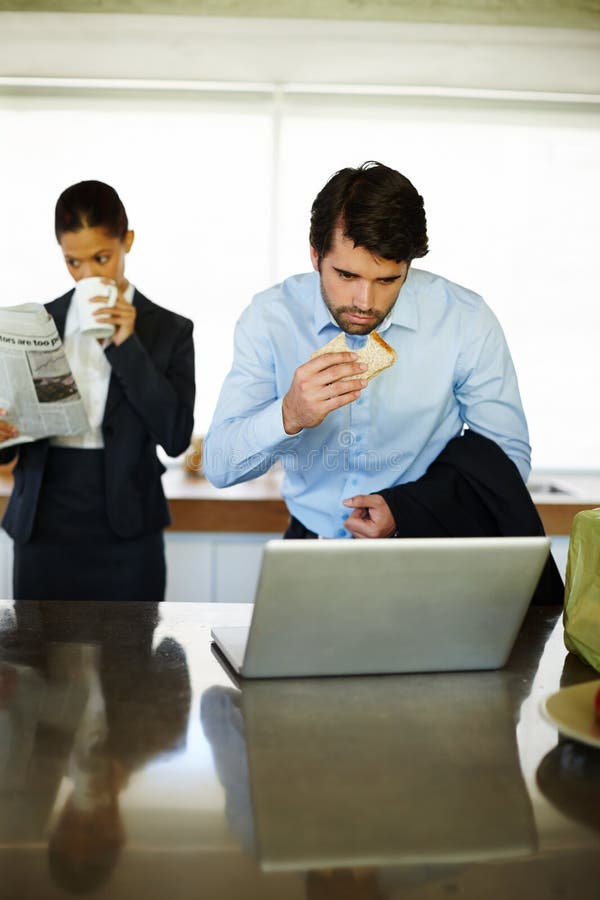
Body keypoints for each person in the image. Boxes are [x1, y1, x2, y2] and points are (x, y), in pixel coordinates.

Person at [0, 180, 195, 601]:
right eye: (73, 262)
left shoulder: (169, 330)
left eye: (101, 258)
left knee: (130, 664)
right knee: (36, 662)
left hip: (126, 531)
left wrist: (127, 347)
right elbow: (9, 448)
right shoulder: (37, 322)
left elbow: (177, 437)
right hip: (42, 525)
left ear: (128, 241)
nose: (87, 274)